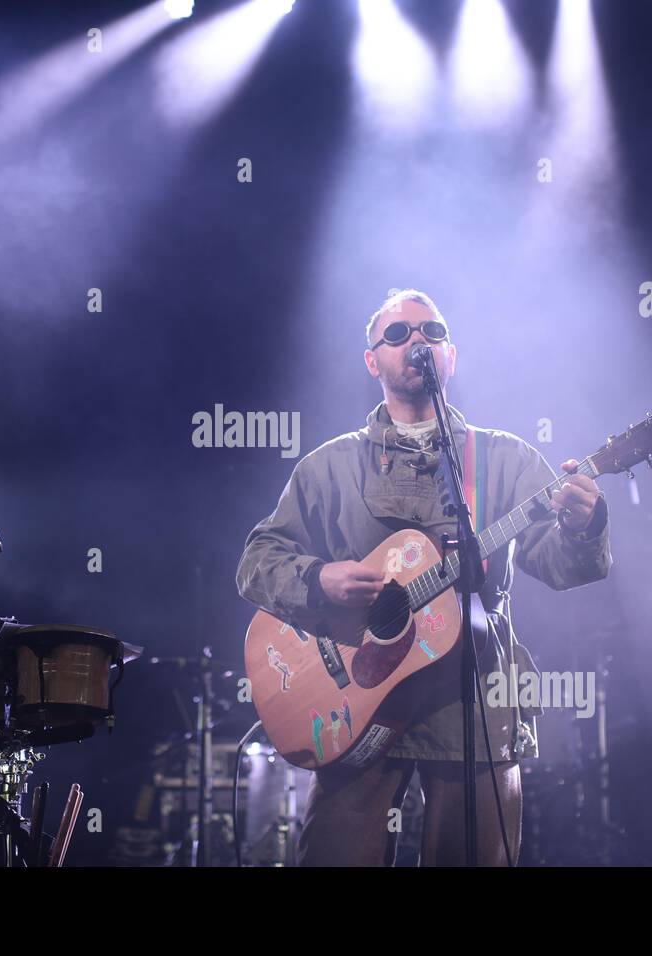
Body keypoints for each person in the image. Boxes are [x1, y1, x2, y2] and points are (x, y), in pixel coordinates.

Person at [236, 289, 612, 866]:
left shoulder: (504, 460)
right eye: (398, 334)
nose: (418, 342)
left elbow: (562, 568)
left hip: (475, 707)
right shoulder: (327, 466)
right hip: (353, 708)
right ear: (372, 361)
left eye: (432, 333)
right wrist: (318, 580)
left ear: (451, 356)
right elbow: (256, 561)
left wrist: (585, 526)